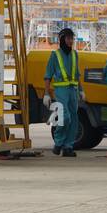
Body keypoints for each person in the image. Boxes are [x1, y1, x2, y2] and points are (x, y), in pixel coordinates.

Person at [43, 26, 84, 157]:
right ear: (62, 39)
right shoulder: (55, 55)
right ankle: (59, 142)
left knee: (74, 119)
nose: (70, 41)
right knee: (65, 117)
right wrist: (46, 93)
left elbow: (77, 74)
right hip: (61, 91)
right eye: (68, 38)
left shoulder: (74, 54)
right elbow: (48, 75)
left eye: (72, 38)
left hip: (73, 91)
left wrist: (81, 90)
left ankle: (68, 147)